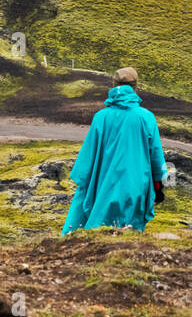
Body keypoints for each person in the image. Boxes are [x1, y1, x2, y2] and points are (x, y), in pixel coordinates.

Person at [62, 66, 169, 236]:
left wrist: (85, 182)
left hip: (104, 186)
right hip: (136, 187)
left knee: (98, 231)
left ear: (113, 85)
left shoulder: (101, 117)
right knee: (130, 234)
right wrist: (159, 186)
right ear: (136, 87)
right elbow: (156, 156)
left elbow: (87, 158)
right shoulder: (146, 117)